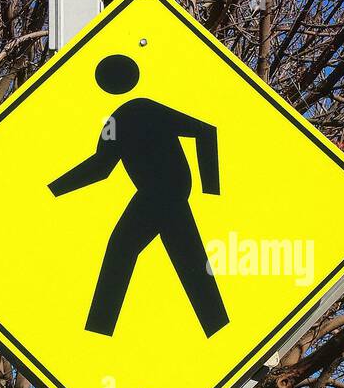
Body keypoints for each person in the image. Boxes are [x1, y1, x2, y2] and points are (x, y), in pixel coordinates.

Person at [48, 53, 229, 339]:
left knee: (124, 249)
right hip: (159, 193)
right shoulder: (117, 119)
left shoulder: (140, 110)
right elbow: (101, 167)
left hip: (165, 191)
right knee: (186, 257)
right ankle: (218, 328)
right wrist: (54, 190)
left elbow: (205, 132)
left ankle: (97, 331)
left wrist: (212, 191)